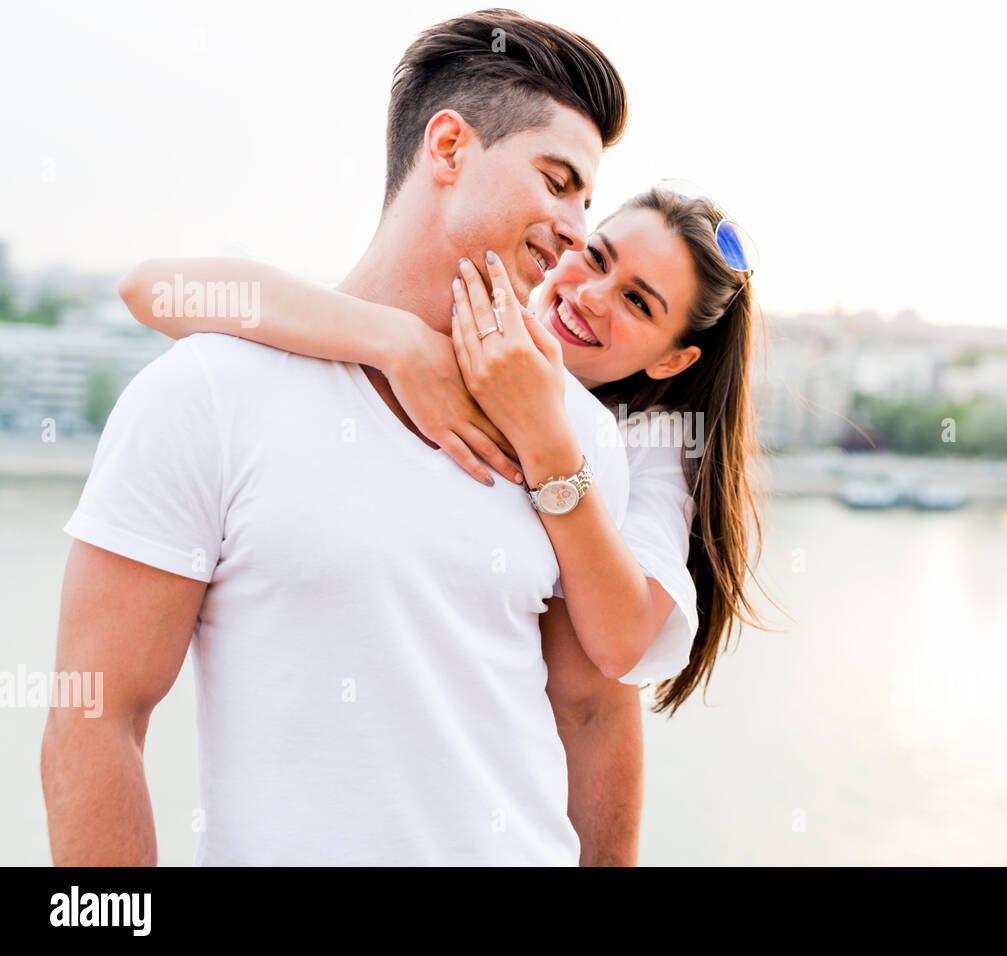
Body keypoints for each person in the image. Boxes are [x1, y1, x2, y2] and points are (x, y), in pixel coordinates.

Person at [42, 9, 643, 866]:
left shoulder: (574, 434)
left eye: (588, 200)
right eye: (556, 182)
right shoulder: (210, 392)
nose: (579, 231)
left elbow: (592, 711)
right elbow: (94, 716)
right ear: (448, 148)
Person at [116, 182, 768, 717]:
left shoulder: (647, 448)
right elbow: (151, 289)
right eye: (597, 258)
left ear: (673, 359)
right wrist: (396, 343)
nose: (592, 295)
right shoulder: (464, 309)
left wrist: (546, 443)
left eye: (635, 301)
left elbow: (622, 645)